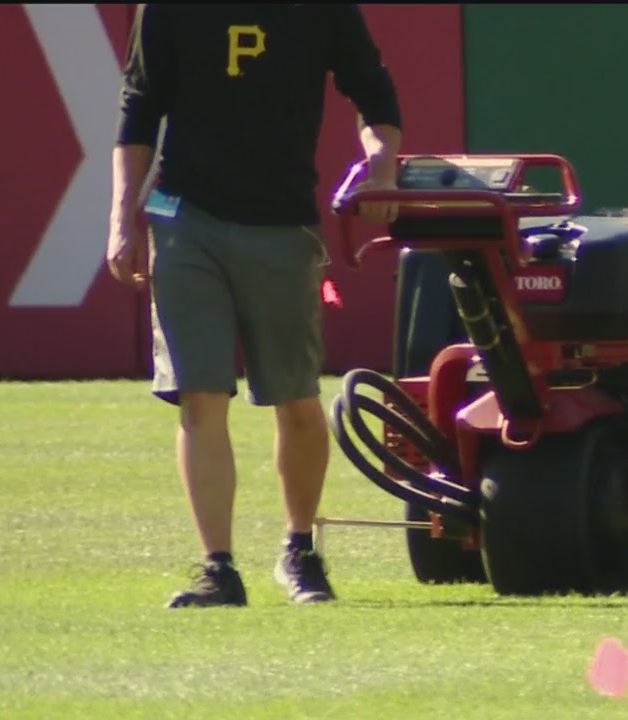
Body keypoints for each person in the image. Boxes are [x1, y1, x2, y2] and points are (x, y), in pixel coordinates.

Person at [106, 4, 403, 608]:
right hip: (182, 213)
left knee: (296, 398)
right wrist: (120, 217)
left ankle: (299, 549)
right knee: (201, 393)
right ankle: (219, 568)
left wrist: (382, 162)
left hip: (282, 220)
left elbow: (372, 90)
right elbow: (138, 106)